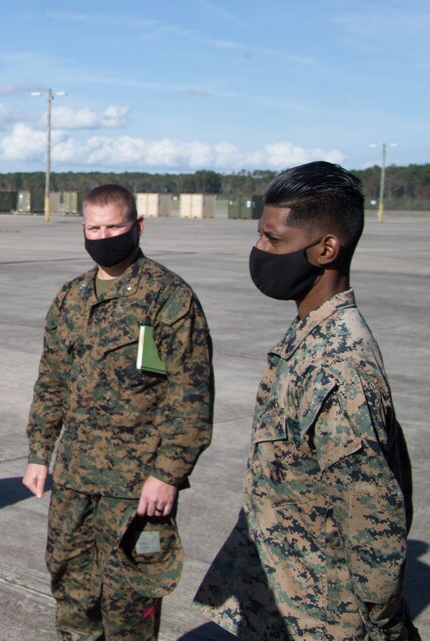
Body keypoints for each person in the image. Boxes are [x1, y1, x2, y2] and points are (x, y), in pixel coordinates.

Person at [194, 161, 418, 640]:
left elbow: (374, 525)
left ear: (326, 249)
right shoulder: (310, 334)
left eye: (272, 240)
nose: (258, 250)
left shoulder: (339, 367)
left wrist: (385, 627)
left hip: (320, 621)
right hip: (279, 605)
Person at [22, 184, 213, 640]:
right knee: (71, 588)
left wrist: (168, 472)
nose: (103, 235)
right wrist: (38, 453)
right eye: (94, 227)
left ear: (137, 227)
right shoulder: (70, 298)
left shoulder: (168, 297)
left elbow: (191, 394)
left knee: (131, 599)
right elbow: (51, 381)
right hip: (74, 478)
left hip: (137, 486)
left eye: (113, 226)